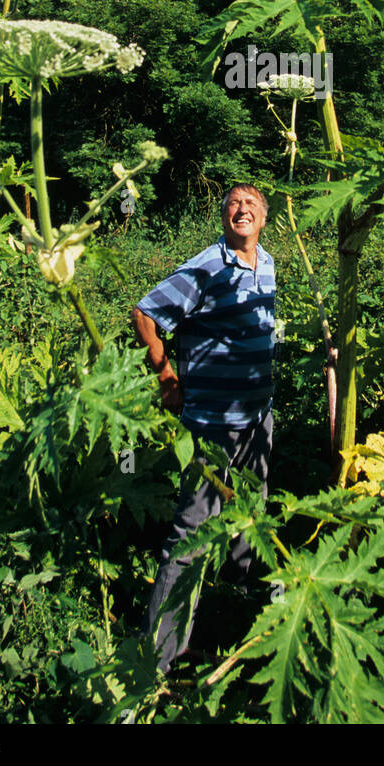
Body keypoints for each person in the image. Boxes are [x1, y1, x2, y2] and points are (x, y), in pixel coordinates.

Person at [131, 183, 275, 674]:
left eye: (252, 204)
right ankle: (160, 660)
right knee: (191, 534)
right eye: (235, 203)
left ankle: (232, 613)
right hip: (213, 424)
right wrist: (166, 373)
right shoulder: (208, 266)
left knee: (250, 516)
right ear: (223, 216)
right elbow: (146, 312)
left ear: (264, 218)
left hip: (259, 419)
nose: (243, 209)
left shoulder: (269, 264)